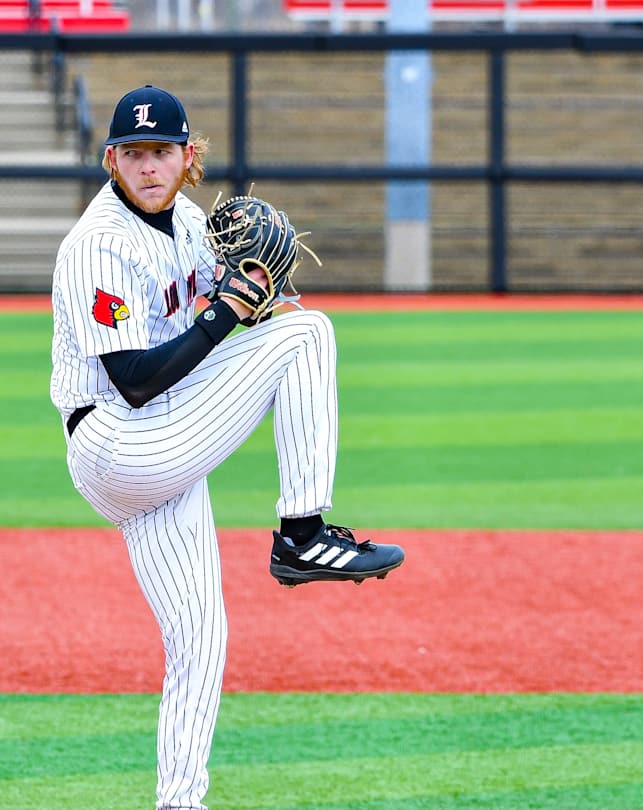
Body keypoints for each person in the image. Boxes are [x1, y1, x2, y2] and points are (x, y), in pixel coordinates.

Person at [48, 84, 405, 810]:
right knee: (311, 336)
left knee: (200, 639)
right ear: (111, 160)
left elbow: (237, 311)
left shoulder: (184, 221)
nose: (150, 166)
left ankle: (180, 803)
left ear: (189, 159)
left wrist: (261, 293)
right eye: (134, 154)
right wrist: (226, 312)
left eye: (164, 152)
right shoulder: (98, 247)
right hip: (119, 440)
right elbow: (139, 379)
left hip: (165, 443)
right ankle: (303, 536)